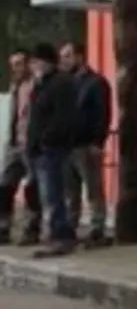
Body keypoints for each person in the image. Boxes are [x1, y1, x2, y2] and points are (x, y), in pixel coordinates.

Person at [26, 42, 80, 258]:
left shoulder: (61, 83)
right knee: (47, 195)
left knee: (53, 194)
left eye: (35, 61)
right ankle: (59, 233)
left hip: (53, 148)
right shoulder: (42, 84)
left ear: (45, 62)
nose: (33, 66)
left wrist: (47, 140)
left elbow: (62, 117)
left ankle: (61, 236)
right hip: (40, 149)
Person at [58, 41, 112, 247]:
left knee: (93, 188)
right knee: (70, 191)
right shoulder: (64, 83)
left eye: (68, 55)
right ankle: (71, 226)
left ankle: (97, 227)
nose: (64, 60)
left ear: (80, 57)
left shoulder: (95, 82)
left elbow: (103, 114)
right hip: (66, 146)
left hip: (86, 144)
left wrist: (98, 142)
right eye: (62, 56)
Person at [0, 49, 42, 245]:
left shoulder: (36, 86)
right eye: (13, 65)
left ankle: (32, 227)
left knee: (32, 188)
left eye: (19, 64)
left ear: (28, 64)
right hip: (14, 143)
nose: (15, 68)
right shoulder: (15, 86)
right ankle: (4, 226)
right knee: (5, 185)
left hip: (31, 143)